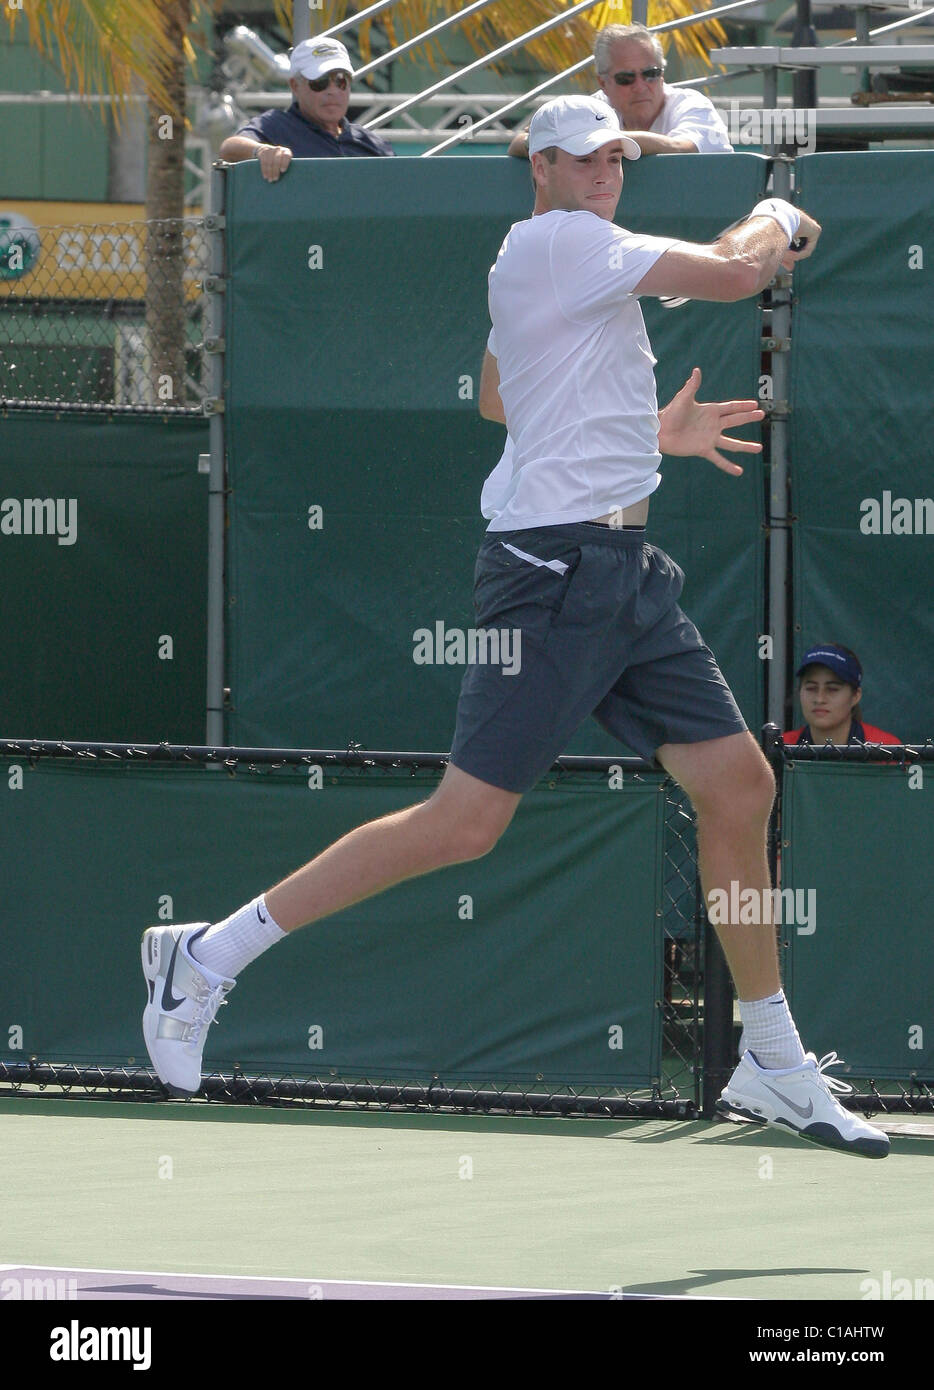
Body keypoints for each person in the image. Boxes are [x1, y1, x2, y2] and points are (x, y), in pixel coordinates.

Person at [141, 95, 888, 1160]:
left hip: (620, 572)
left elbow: (502, 397)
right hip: (551, 574)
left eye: (615, 159)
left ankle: (768, 1055)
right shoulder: (558, 240)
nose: (603, 173)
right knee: (463, 823)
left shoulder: (550, 262)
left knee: (738, 783)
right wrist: (780, 211)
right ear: (536, 166)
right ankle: (208, 955)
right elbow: (733, 272)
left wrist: (651, 431)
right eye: (581, 159)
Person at [508, 22, 732, 160]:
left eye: (651, 73)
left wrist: (583, 139)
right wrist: (547, 139)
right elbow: (518, 143)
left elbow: (682, 148)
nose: (641, 85)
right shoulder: (594, 109)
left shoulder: (691, 103)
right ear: (603, 84)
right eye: (626, 78)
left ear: (662, 74)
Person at [218, 37, 394, 181]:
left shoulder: (370, 142)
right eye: (320, 83)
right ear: (295, 86)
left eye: (341, 81)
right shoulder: (276, 126)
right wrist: (262, 151)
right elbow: (229, 148)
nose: (332, 91)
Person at [785, 644, 900, 746]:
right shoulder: (782, 747)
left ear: (855, 696)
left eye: (832, 689)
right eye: (811, 688)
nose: (819, 699)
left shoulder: (886, 748)